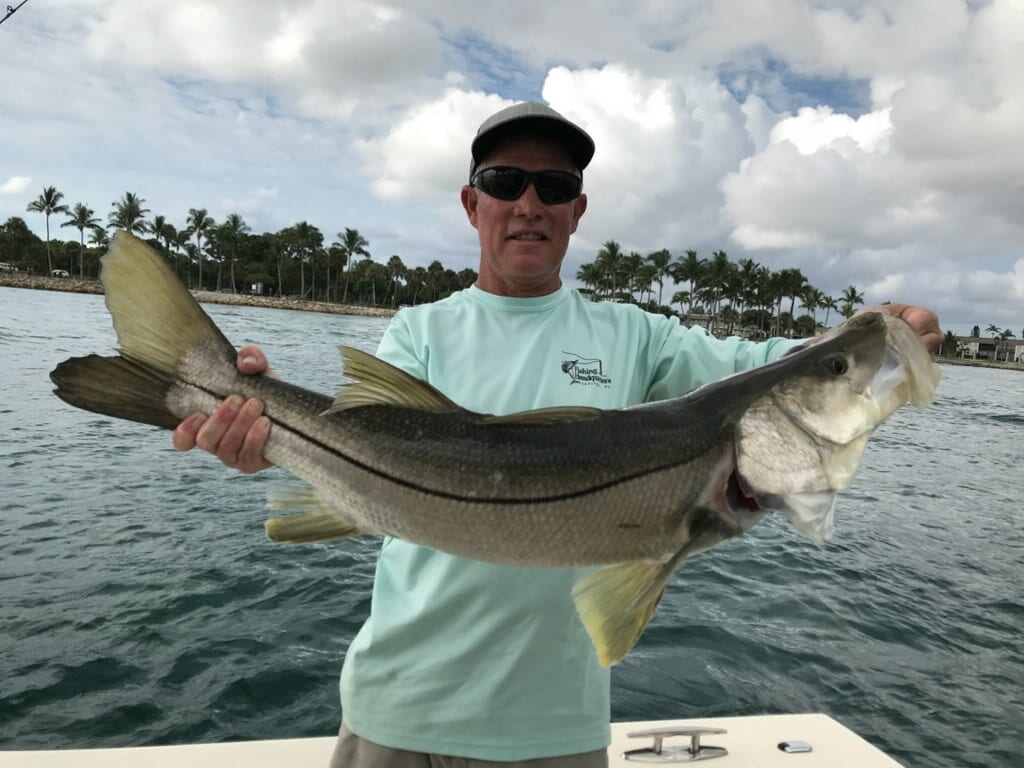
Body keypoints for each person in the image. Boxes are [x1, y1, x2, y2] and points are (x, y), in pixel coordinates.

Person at [172, 101, 942, 767]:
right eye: (506, 184)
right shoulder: (420, 330)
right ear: (473, 205)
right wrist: (256, 421)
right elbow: (364, 443)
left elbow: (768, 367)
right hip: (397, 706)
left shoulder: (637, 335)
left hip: (555, 728)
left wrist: (869, 340)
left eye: (557, 187)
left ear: (579, 211)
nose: (530, 204)